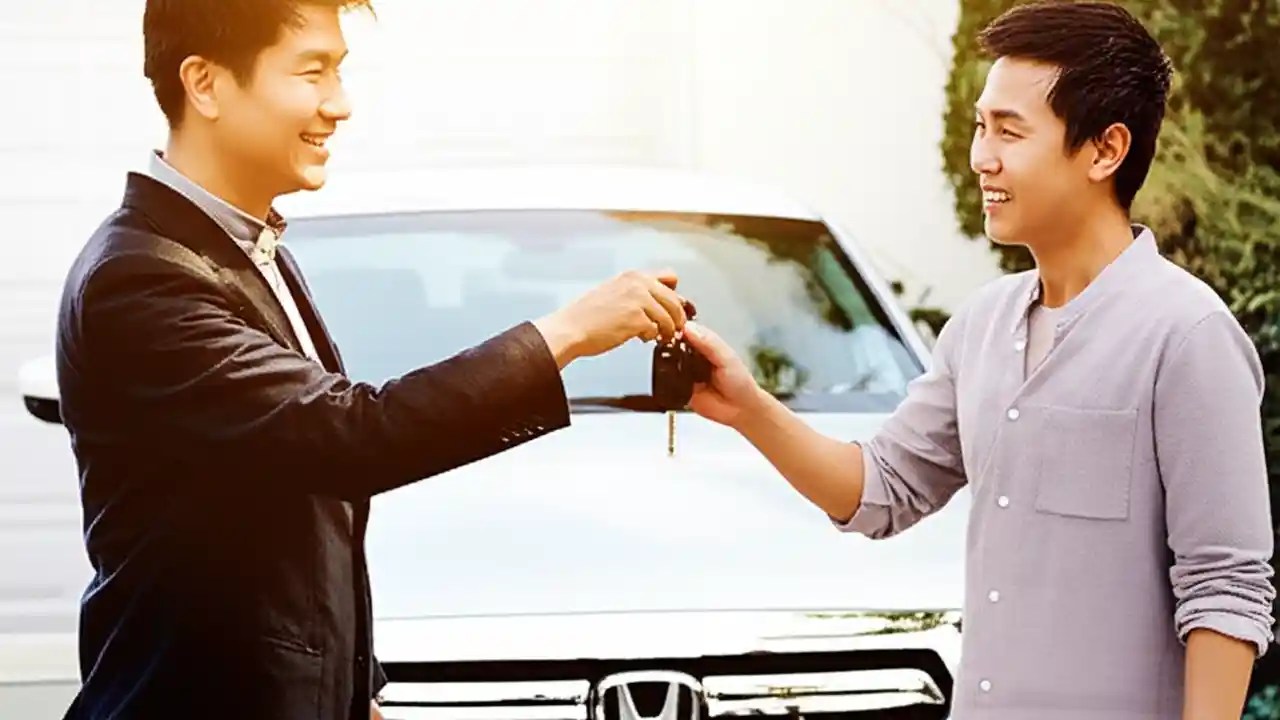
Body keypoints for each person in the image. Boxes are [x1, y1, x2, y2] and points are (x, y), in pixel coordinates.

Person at [54, 1, 689, 718]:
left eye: (340, 72)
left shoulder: (249, 251)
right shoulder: (140, 279)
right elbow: (351, 436)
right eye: (312, 72)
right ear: (205, 84)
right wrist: (568, 332)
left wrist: (358, 691)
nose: (340, 105)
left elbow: (289, 500)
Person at [683, 2, 1276, 718]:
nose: (981, 157)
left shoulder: (1188, 336)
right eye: (979, 126)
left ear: (1104, 150)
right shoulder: (981, 327)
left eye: (1009, 130)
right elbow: (881, 491)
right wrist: (746, 406)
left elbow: (1225, 589)